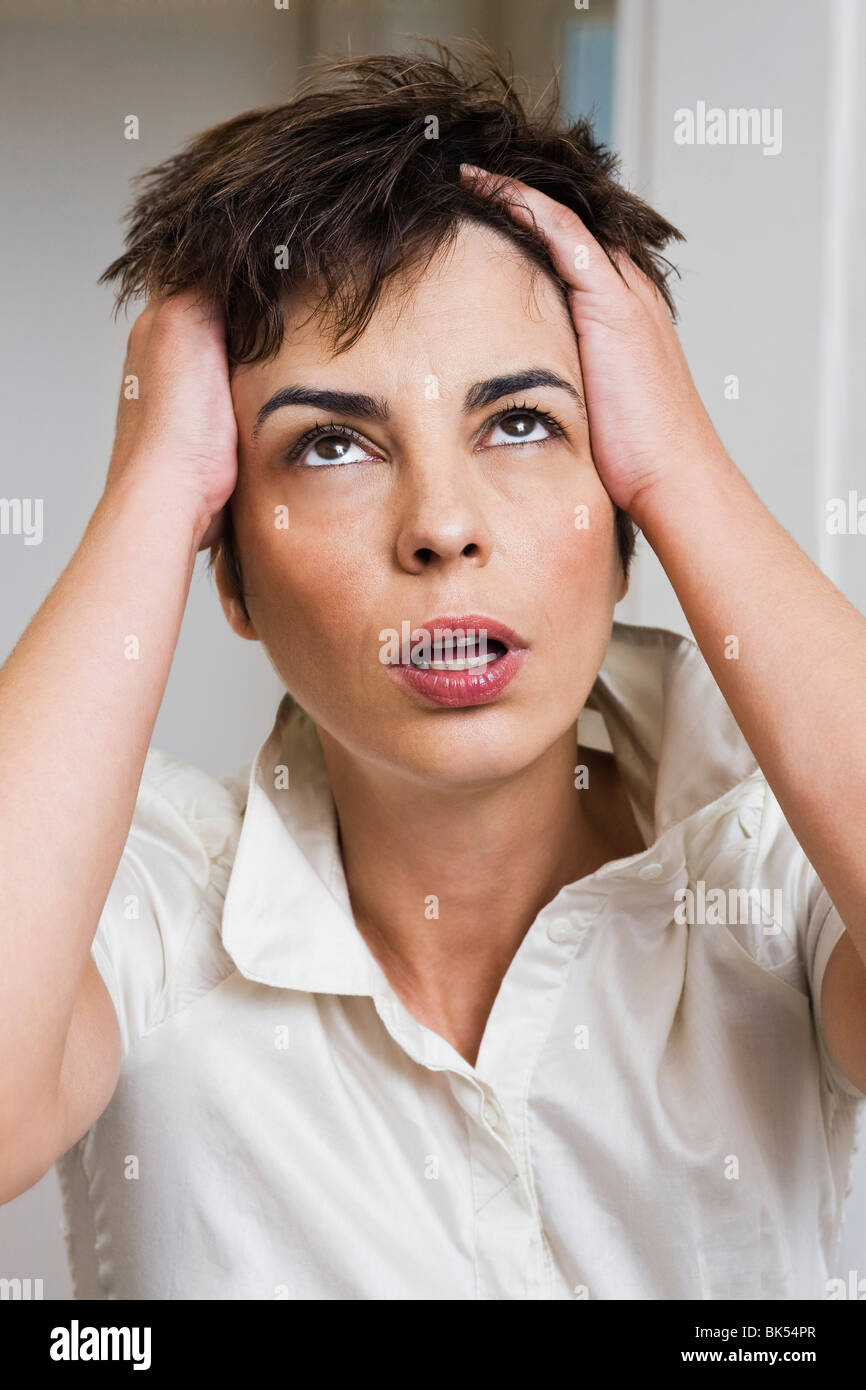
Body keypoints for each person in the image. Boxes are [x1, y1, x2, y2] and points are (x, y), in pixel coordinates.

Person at [1, 40, 864, 1301]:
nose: (441, 526)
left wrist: (683, 466)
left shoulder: (769, 879)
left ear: (621, 522)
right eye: (332, 445)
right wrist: (149, 491)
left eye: (521, 422)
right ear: (229, 576)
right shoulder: (140, 919)